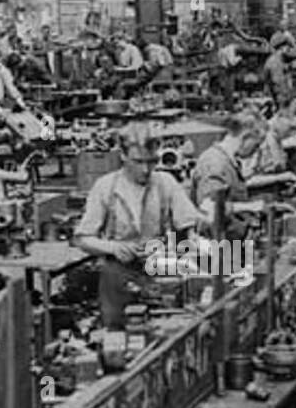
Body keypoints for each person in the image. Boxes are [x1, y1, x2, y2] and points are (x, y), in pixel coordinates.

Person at [72, 123, 204, 328]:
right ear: (123, 156)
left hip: (158, 275)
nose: (145, 169)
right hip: (117, 277)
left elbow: (188, 226)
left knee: (161, 333)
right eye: (138, 161)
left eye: (151, 162)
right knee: (116, 341)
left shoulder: (165, 183)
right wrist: (114, 247)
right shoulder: (105, 187)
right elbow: (82, 238)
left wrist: (174, 247)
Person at [262, 35, 295, 108]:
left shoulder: (276, 60)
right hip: (279, 102)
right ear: (282, 47)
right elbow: (278, 83)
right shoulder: (276, 62)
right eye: (288, 47)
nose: (289, 50)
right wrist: (287, 98)